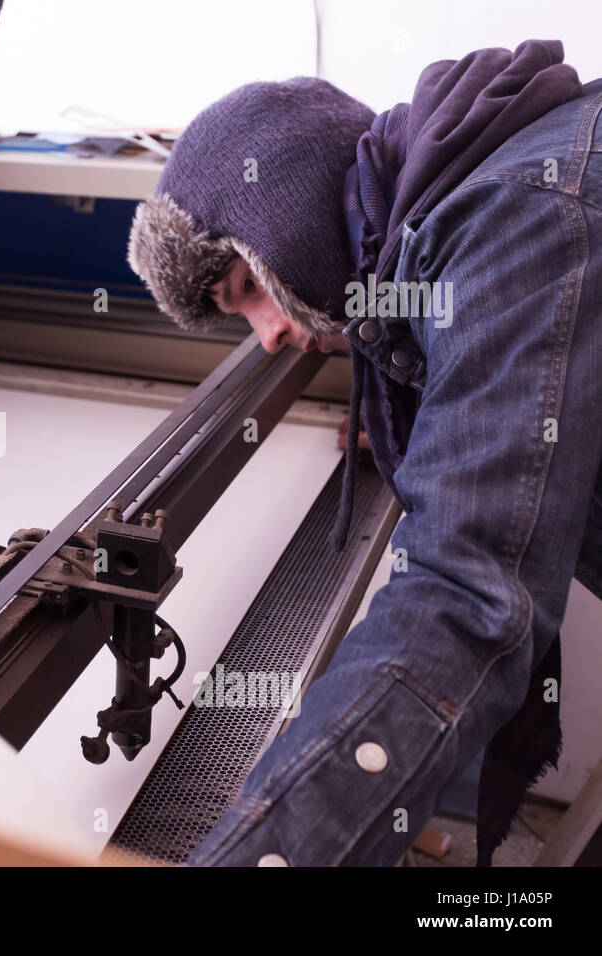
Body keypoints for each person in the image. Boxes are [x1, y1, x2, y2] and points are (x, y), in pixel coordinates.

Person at [126, 40, 601, 866]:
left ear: (285, 209)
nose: (271, 334)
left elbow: (467, 596)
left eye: (243, 288)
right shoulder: (484, 187)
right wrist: (442, 410)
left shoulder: (514, 217)